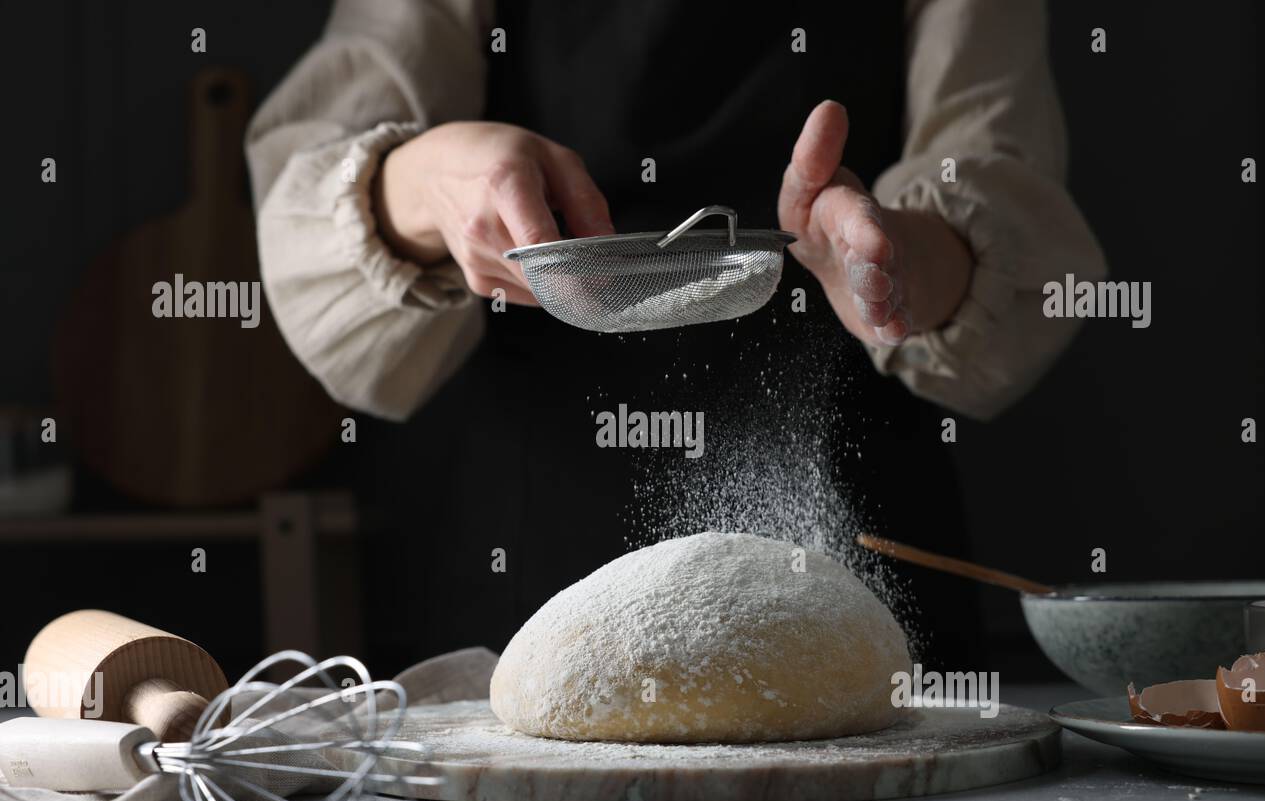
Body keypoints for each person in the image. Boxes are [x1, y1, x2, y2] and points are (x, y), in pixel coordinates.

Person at [247, 0, 1105, 668]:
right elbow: (315, 180)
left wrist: (897, 261)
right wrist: (426, 178)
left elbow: (996, 180)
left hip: (857, 535)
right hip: (535, 549)